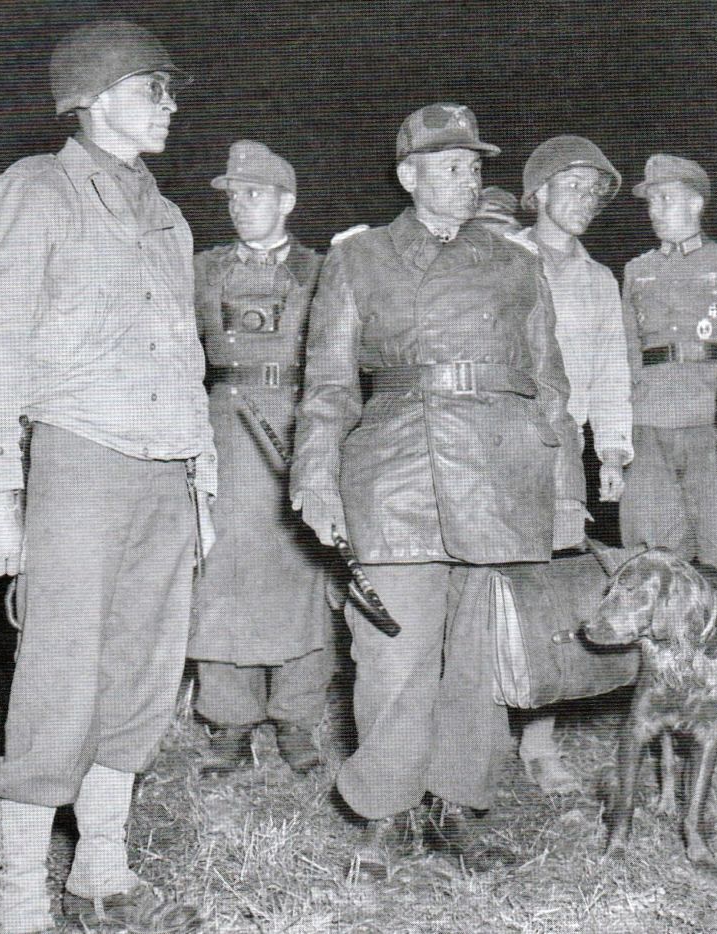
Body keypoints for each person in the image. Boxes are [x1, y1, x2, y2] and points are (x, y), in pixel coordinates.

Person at [290, 103, 586, 878]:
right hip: (395, 476)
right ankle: (387, 814)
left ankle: (459, 808)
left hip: (500, 473)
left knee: (479, 657)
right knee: (393, 655)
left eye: (475, 166)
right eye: (450, 165)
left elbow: (552, 387)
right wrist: (315, 480)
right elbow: (326, 385)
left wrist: (565, 494)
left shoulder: (518, 265)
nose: (468, 177)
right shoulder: (359, 262)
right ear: (408, 176)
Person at [0, 20, 211, 933]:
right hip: (76, 458)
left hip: (166, 468)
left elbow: (185, 359)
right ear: (97, 98)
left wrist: (204, 484)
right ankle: (22, 888)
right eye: (155, 89)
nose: (171, 106)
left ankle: (101, 858)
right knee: (58, 673)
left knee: (143, 669)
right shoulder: (33, 191)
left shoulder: (169, 217)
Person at [189, 141, 331, 777]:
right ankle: (229, 720)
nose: (242, 206)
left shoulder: (322, 271)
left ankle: (297, 719)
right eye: (234, 195)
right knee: (220, 571)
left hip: (300, 427)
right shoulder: (203, 271)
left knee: (306, 572)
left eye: (256, 194)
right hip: (222, 425)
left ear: (288, 201)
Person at [515, 135, 632, 793]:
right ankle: (475, 723)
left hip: (569, 449)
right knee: (494, 583)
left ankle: (539, 741)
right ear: (539, 194)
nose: (586, 200)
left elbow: (612, 367)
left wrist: (611, 448)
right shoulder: (499, 258)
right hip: (498, 441)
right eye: (575, 186)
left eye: (596, 191)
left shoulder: (597, 279)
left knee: (559, 590)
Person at [619, 154, 717, 599]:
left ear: (696, 203)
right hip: (650, 419)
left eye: (666, 198)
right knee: (651, 547)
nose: (655, 210)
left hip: (711, 415)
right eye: (651, 201)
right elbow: (626, 349)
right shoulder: (637, 271)